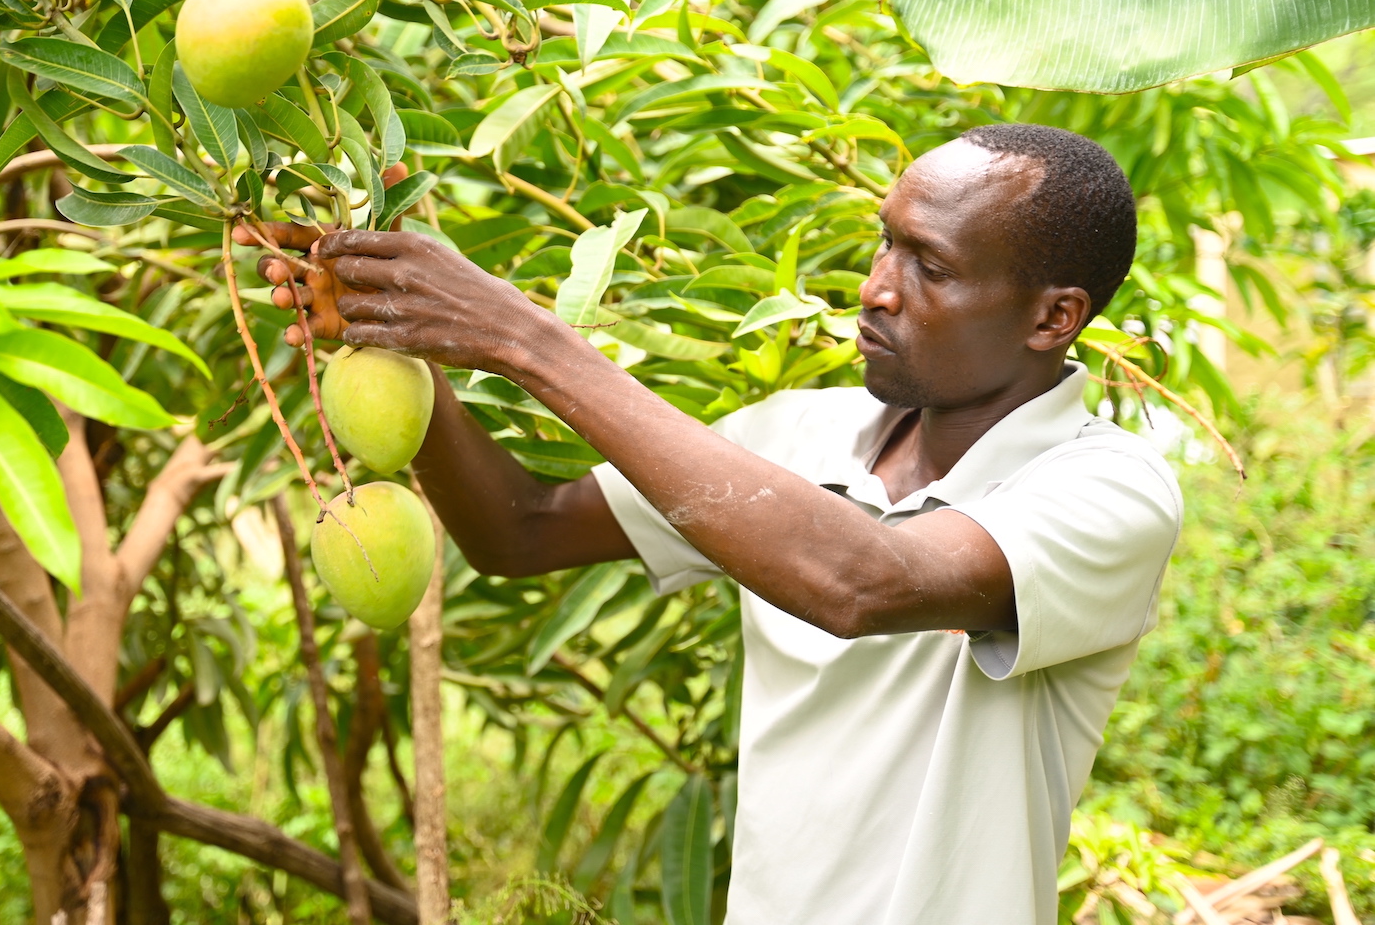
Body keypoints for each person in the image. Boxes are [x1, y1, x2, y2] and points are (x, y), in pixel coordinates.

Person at [248, 123, 1181, 924]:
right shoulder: (796, 434)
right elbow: (519, 529)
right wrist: (409, 337)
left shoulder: (1106, 488)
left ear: (1053, 318)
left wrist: (522, 337)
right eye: (883, 244)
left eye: (928, 265)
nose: (876, 289)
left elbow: (860, 583)